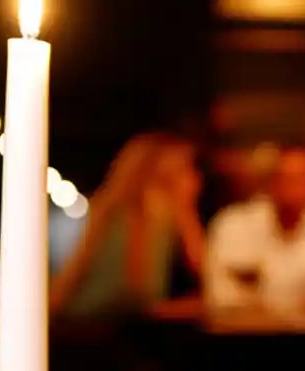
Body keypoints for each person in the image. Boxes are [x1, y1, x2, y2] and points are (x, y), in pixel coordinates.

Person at [51, 133, 206, 317]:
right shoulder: (133, 215)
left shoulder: (165, 220)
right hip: (97, 320)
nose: (196, 179)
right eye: (186, 169)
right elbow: (137, 295)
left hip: (111, 320)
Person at [204, 145, 305, 313]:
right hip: (245, 335)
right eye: (285, 178)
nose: (292, 188)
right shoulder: (233, 225)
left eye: (301, 179)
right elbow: (222, 295)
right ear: (271, 183)